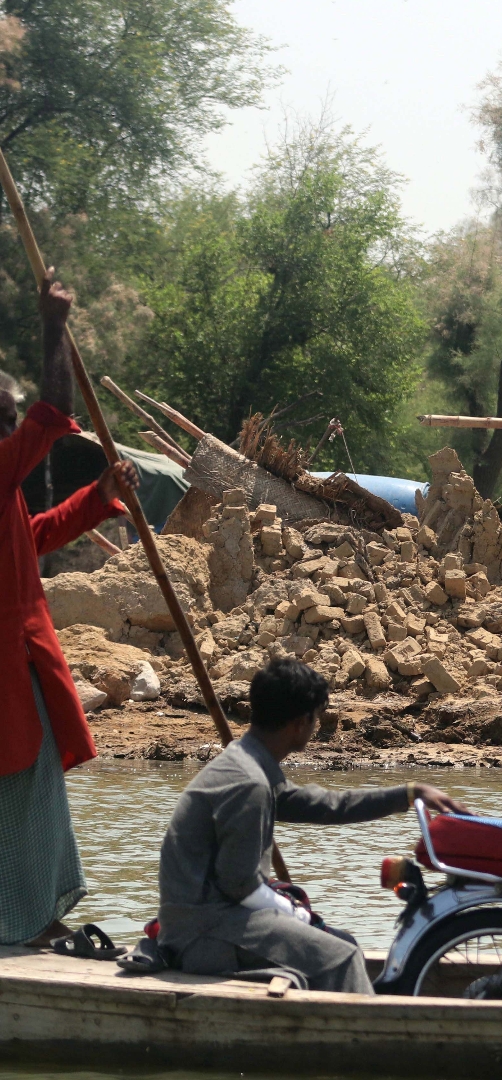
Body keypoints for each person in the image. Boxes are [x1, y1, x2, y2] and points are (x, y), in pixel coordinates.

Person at [157, 657, 468, 993]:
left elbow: (328, 806)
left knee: (341, 940)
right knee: (343, 956)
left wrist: (408, 794)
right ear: (301, 722)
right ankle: (371, 1039)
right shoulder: (250, 783)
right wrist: (297, 915)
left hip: (215, 917)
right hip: (203, 931)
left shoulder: (248, 762)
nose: (316, 726)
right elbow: (239, 886)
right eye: (316, 718)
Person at [0, 271, 136, 948]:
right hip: (7, 679)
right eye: (6, 418)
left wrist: (102, 490)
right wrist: (53, 326)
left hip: (20, 670)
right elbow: (53, 408)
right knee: (24, 796)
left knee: (32, 798)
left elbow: (35, 537)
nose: (13, 428)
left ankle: (27, 921)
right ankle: (24, 926)